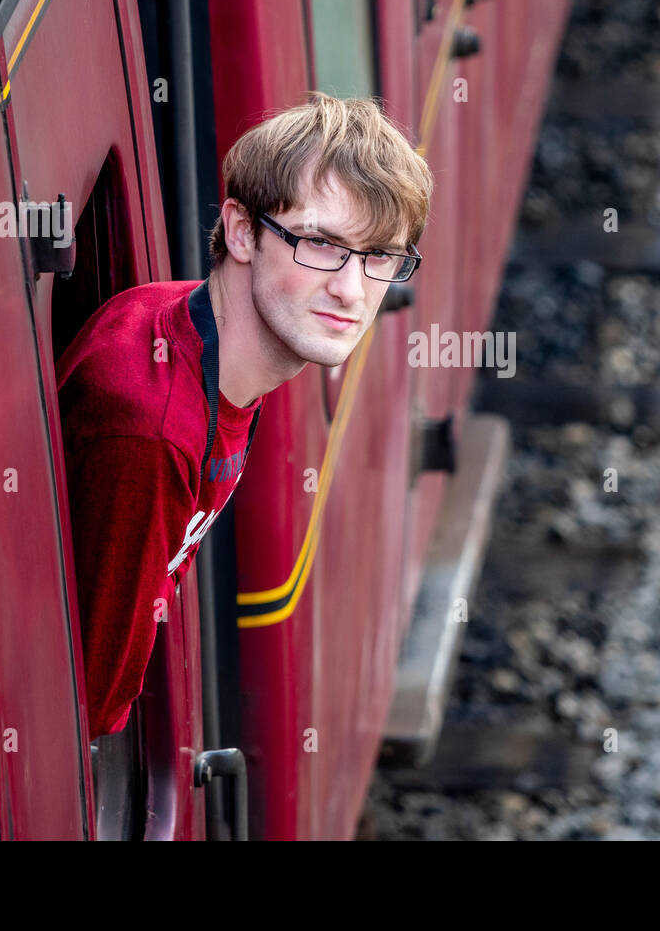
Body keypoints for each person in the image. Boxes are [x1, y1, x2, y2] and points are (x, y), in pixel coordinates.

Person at [57, 92, 433, 738]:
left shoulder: (177, 319)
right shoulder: (152, 435)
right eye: (320, 243)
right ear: (240, 231)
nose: (351, 289)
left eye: (379, 257)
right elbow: (78, 719)